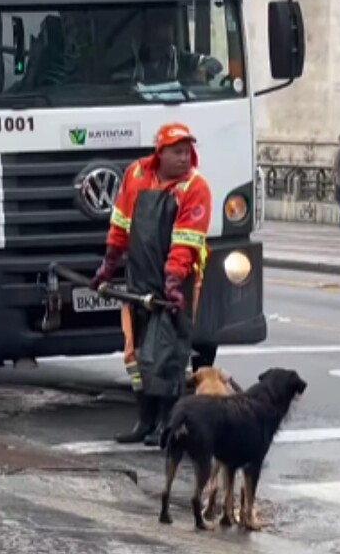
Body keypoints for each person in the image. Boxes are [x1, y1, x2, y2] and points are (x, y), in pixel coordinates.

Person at [92, 122, 212, 447]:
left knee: (168, 354)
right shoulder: (135, 175)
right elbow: (120, 224)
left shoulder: (194, 188)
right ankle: (144, 420)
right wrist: (108, 265)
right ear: (160, 153)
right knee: (136, 354)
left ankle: (167, 422)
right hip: (138, 278)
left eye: (187, 152)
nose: (184, 158)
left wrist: (173, 283)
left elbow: (185, 242)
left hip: (178, 283)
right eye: (177, 152)